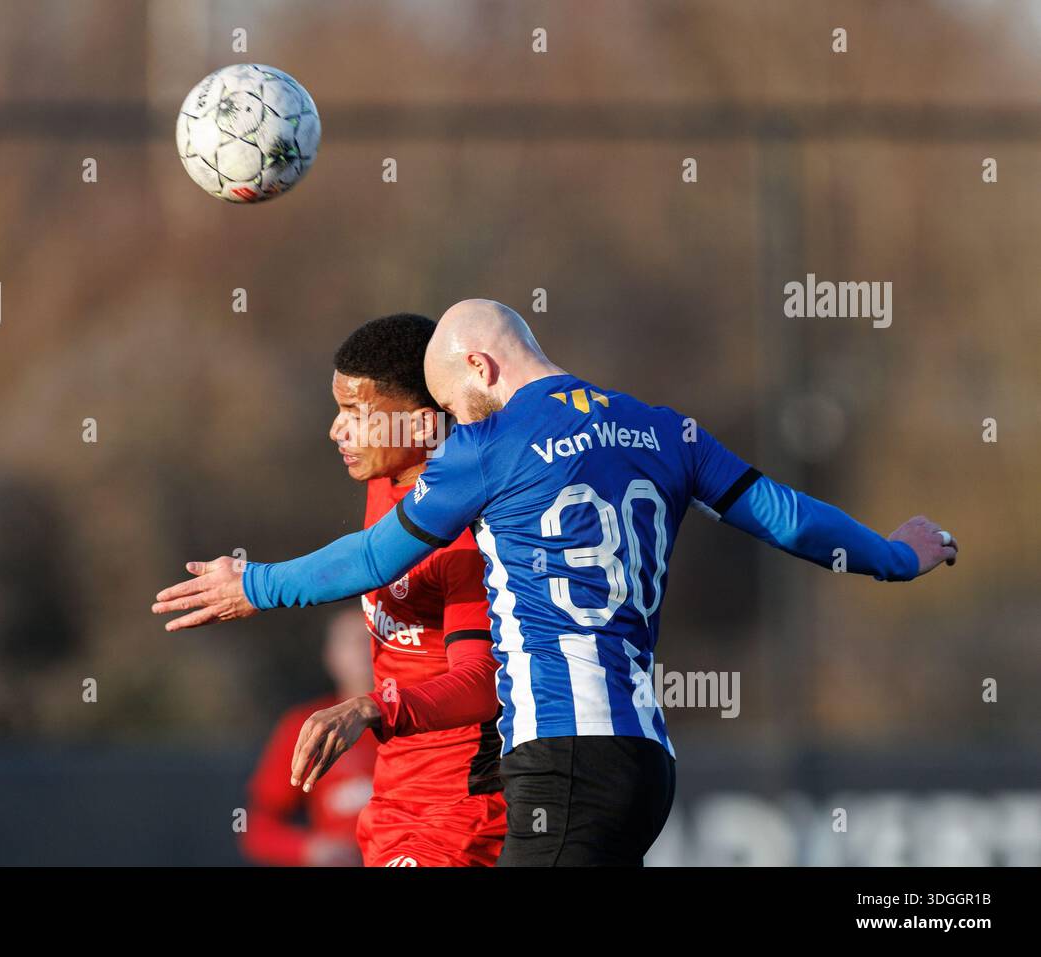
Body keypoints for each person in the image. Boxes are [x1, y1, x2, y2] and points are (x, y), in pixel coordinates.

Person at [153, 299, 958, 866]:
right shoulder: (664, 426)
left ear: (479, 365)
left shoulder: (490, 444)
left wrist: (252, 582)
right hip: (647, 762)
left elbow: (370, 561)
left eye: (448, 400)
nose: (451, 419)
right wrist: (893, 554)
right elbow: (784, 514)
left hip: (561, 759)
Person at [287, 314, 505, 867]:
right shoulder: (386, 481)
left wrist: (370, 707)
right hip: (392, 803)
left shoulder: (467, 531)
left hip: (458, 809)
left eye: (357, 414)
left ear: (424, 423)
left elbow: (483, 681)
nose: (338, 430)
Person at [241, 607, 376, 866]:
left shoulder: (423, 718)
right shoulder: (307, 726)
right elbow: (255, 825)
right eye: (353, 642)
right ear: (330, 656)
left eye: (373, 639)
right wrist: (310, 849)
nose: (364, 652)